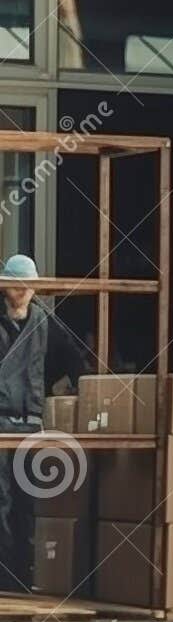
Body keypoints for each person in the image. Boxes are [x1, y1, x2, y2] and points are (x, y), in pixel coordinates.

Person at [0, 254, 83, 592]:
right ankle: (5, 576)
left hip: (31, 424)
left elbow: (76, 362)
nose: (21, 290)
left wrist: (59, 392)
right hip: (1, 422)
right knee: (1, 501)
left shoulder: (46, 323)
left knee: (28, 502)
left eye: (27, 284)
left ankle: (22, 576)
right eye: (14, 284)